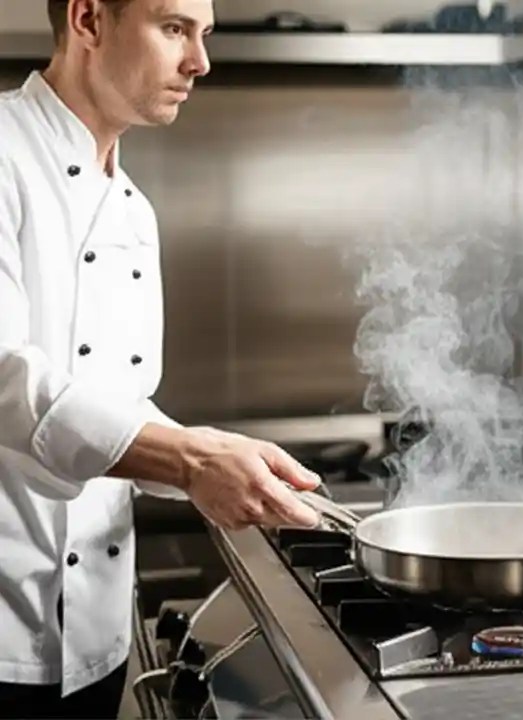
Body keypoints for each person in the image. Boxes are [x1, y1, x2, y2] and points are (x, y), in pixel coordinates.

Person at [0, 1, 324, 716]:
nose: (199, 62)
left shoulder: (131, 209)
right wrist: (187, 460)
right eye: (175, 28)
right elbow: (6, 378)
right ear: (88, 20)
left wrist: (219, 457)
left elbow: (115, 400)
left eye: (203, 35)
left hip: (94, 635)